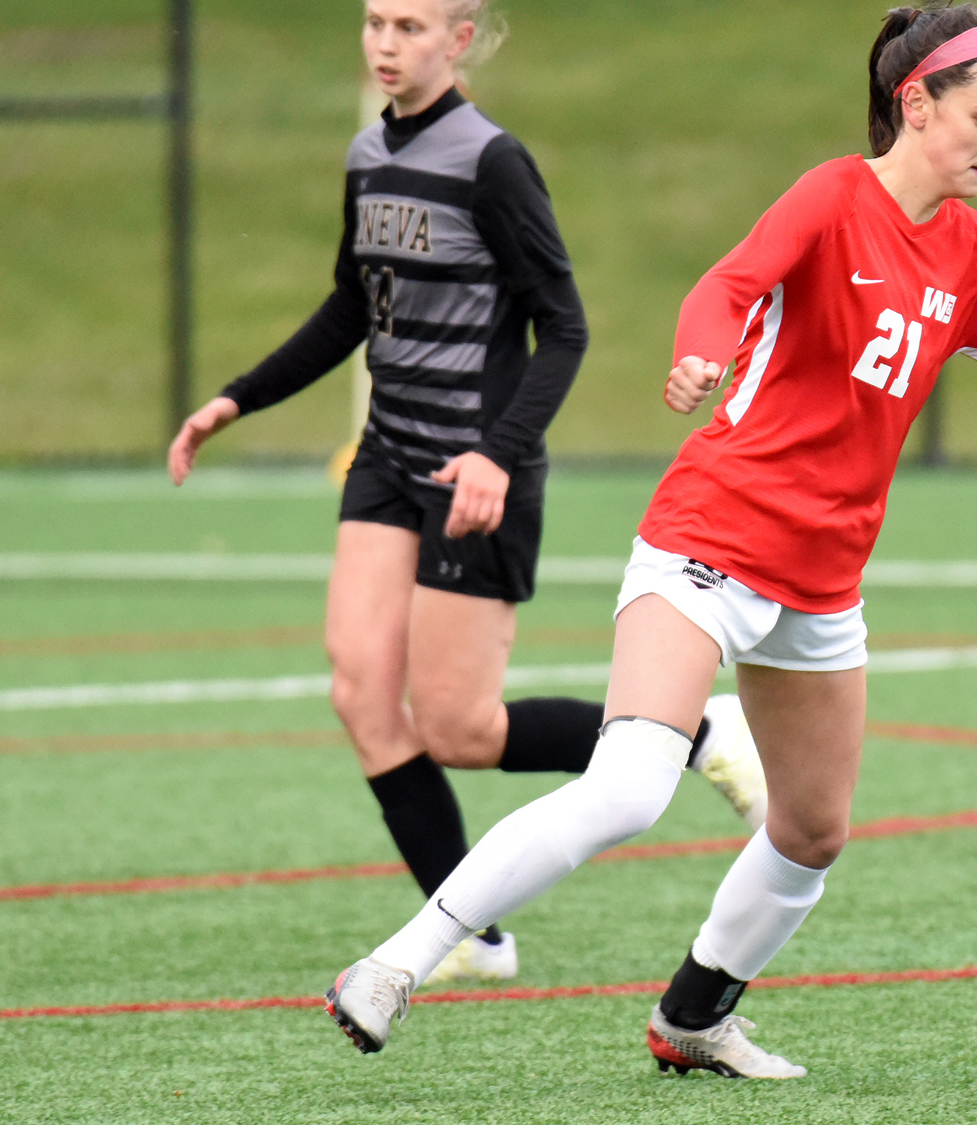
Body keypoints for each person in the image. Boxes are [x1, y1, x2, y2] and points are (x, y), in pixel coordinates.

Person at [323, 2, 977, 1075]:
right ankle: (395, 966)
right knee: (629, 788)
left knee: (811, 832)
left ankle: (692, 1019)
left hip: (822, 581)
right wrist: (701, 354)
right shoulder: (832, 195)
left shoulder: (969, 252)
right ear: (914, 103)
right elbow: (729, 284)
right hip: (711, 536)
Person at [166, 0, 767, 986]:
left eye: (409, 26)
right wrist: (237, 398)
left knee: (460, 731)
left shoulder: (493, 162)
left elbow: (563, 326)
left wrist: (496, 453)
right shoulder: (368, 153)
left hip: (474, 473)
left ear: (459, 38)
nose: (385, 44)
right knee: (361, 693)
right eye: (373, 23)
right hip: (389, 460)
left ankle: (695, 729)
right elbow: (350, 308)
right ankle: (474, 942)